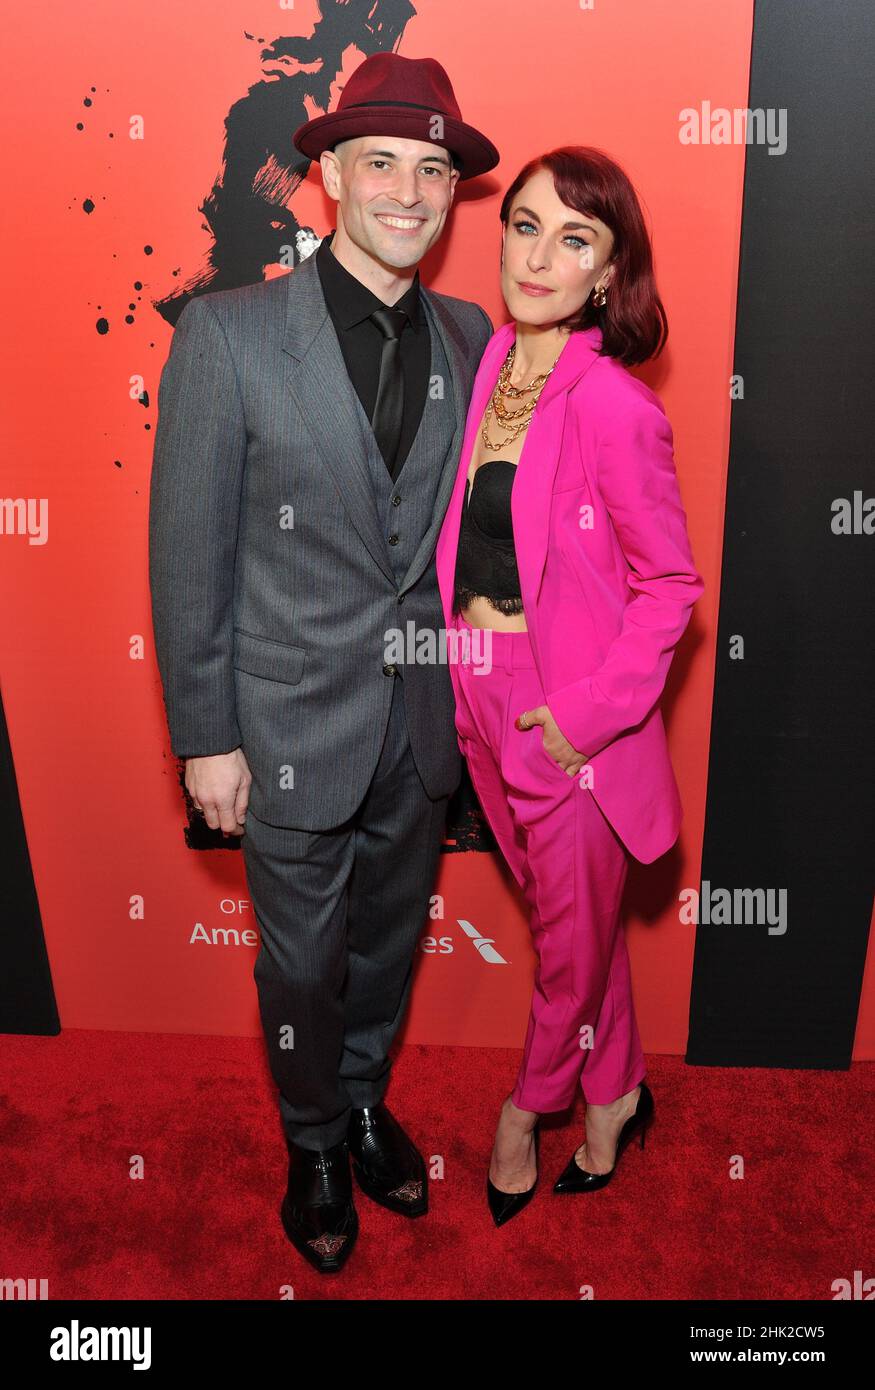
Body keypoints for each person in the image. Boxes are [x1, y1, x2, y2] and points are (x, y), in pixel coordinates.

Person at [148, 52, 499, 1272]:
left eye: (433, 169)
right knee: (300, 962)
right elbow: (189, 552)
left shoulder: (475, 337)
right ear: (329, 177)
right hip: (285, 720)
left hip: (422, 724)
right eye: (383, 163)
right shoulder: (230, 336)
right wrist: (205, 735)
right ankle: (310, 1142)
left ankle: (360, 1101)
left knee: (390, 941)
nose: (409, 190)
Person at [435, 146, 705, 1226]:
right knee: (577, 927)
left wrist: (584, 718)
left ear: (606, 273)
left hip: (563, 718)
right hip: (472, 688)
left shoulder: (613, 405)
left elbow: (671, 585)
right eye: (524, 226)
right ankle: (616, 1092)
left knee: (565, 948)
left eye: (573, 238)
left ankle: (528, 1110)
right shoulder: (489, 359)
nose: (538, 255)